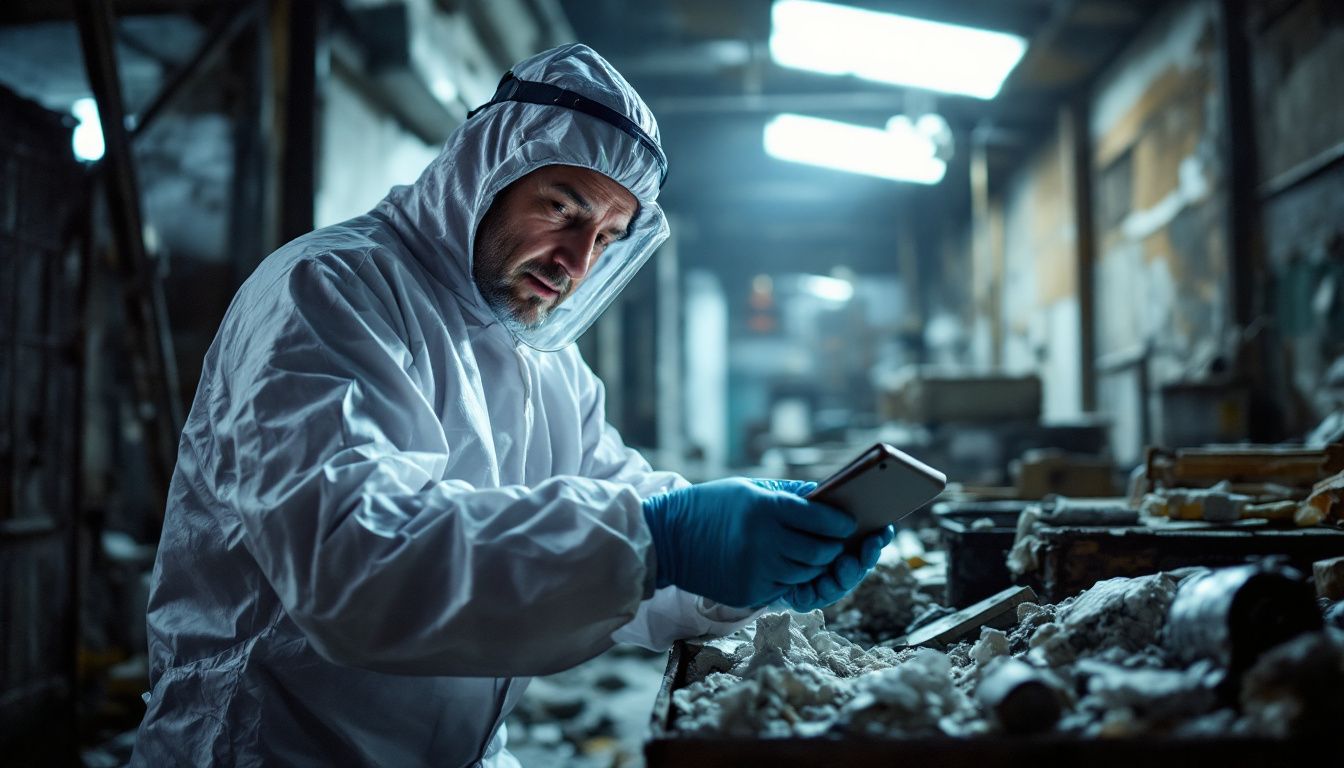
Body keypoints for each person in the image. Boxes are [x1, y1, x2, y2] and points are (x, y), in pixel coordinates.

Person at [130, 44, 892, 766]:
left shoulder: (545, 363)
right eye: (562, 208)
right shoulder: (327, 293)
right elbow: (355, 565)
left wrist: (736, 571)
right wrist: (665, 538)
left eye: (606, 237)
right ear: (484, 172)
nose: (576, 263)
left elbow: (613, 522)